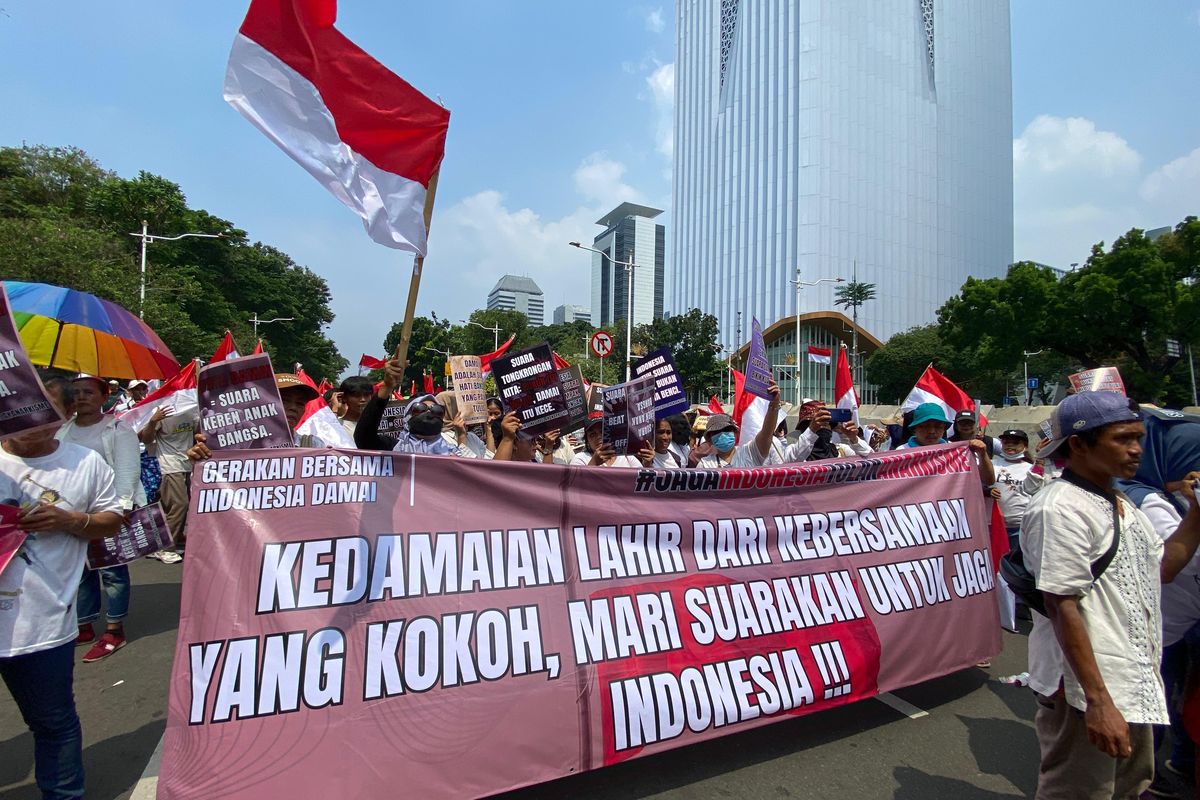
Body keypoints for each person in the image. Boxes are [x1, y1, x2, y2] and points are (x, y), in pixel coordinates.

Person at [1023, 392, 1200, 798]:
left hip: (1131, 681)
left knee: (1128, 787)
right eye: (1122, 438)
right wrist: (1098, 702)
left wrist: (1196, 512)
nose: (1136, 449)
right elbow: (1061, 604)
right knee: (1082, 791)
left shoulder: (1122, 504)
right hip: (1085, 689)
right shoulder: (1060, 508)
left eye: (1138, 437)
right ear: (1079, 445)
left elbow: (1163, 569)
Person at [0, 377, 124, 799]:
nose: (28, 420)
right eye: (19, 407)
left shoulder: (85, 464)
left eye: (43, 410)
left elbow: (112, 520)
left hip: (43, 627)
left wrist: (69, 520)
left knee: (53, 723)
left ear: (66, 415)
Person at [1115, 408, 1200, 792]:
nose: (1134, 450)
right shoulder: (1143, 500)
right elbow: (1168, 566)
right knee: (1154, 705)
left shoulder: (1163, 493)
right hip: (1154, 631)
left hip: (1176, 626)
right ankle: (1143, 777)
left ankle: (1172, 763)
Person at [56, 375, 145, 662]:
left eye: (89, 392)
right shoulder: (62, 430)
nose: (81, 397)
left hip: (107, 511)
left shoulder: (118, 429)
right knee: (80, 569)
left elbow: (127, 470)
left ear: (104, 396)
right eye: (76, 392)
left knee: (111, 570)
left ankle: (114, 629)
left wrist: (121, 508)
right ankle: (84, 624)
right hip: (73, 512)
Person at [187, 374, 325, 460]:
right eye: (284, 400)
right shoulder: (238, 444)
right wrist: (207, 456)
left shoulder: (313, 446)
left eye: (300, 403)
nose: (293, 407)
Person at [139, 396, 198, 562]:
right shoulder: (162, 410)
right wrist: (153, 421)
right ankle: (165, 548)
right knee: (179, 505)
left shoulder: (192, 408)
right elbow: (146, 439)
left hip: (186, 463)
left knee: (168, 507)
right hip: (169, 465)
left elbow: (197, 434)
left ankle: (157, 544)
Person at [694, 378, 782, 469]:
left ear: (735, 432)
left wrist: (774, 405)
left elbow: (767, 432)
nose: (722, 434)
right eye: (716, 432)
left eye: (726, 429)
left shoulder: (750, 453)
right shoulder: (705, 465)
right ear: (710, 440)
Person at [900, 402, 995, 486]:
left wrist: (982, 455)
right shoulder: (901, 453)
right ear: (914, 429)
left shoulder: (958, 452)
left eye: (938, 426)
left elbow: (988, 481)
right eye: (925, 426)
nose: (932, 431)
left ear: (944, 429)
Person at [782, 401, 873, 462]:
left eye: (826, 424)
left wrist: (854, 439)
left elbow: (872, 459)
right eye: (817, 424)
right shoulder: (791, 450)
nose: (822, 427)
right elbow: (794, 460)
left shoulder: (842, 450)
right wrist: (812, 430)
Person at [569, 413, 651, 468]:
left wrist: (647, 464)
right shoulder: (580, 459)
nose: (599, 437)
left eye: (603, 431)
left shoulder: (626, 456)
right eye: (592, 434)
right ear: (587, 440)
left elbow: (640, 481)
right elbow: (576, 485)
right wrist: (594, 463)